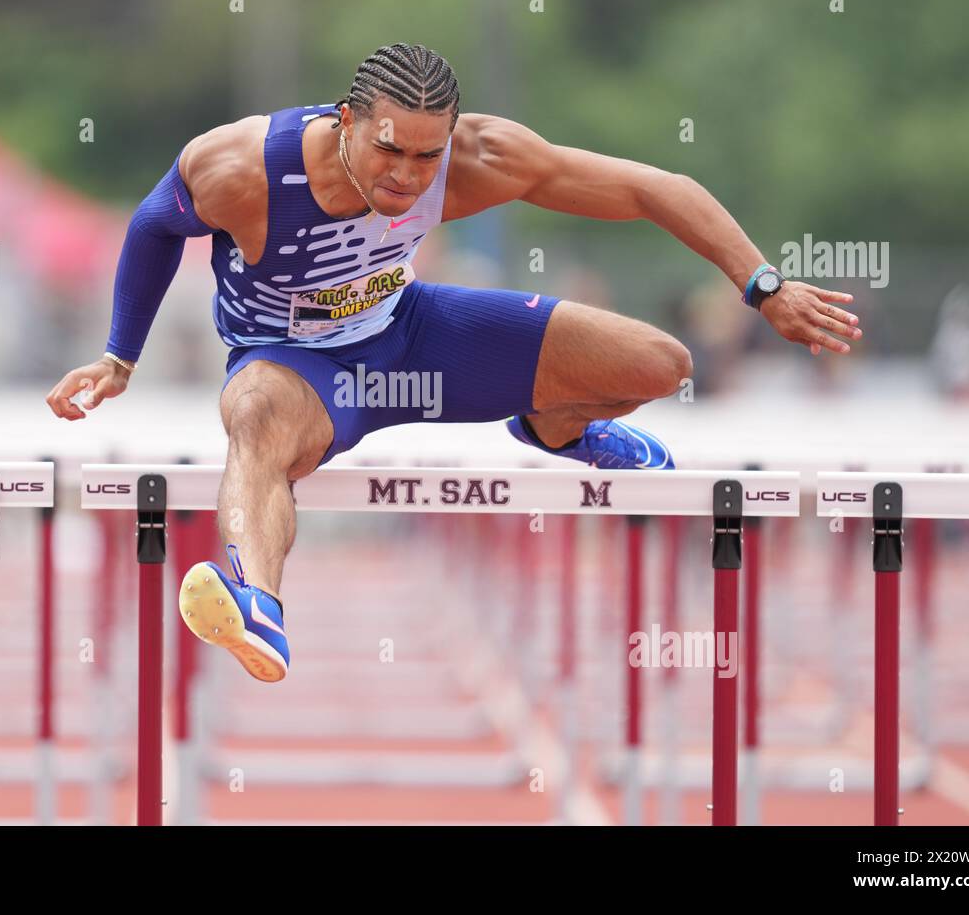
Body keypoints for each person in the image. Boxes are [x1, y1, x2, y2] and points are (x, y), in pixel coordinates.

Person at [46, 43, 861, 682]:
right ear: (346, 122)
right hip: (297, 367)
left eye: (425, 159)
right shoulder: (242, 169)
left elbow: (655, 186)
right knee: (254, 415)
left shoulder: (479, 159)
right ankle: (258, 603)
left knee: (661, 362)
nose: (406, 177)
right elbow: (153, 226)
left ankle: (555, 422)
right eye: (390, 151)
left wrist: (763, 284)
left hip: (415, 333)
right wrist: (121, 353)